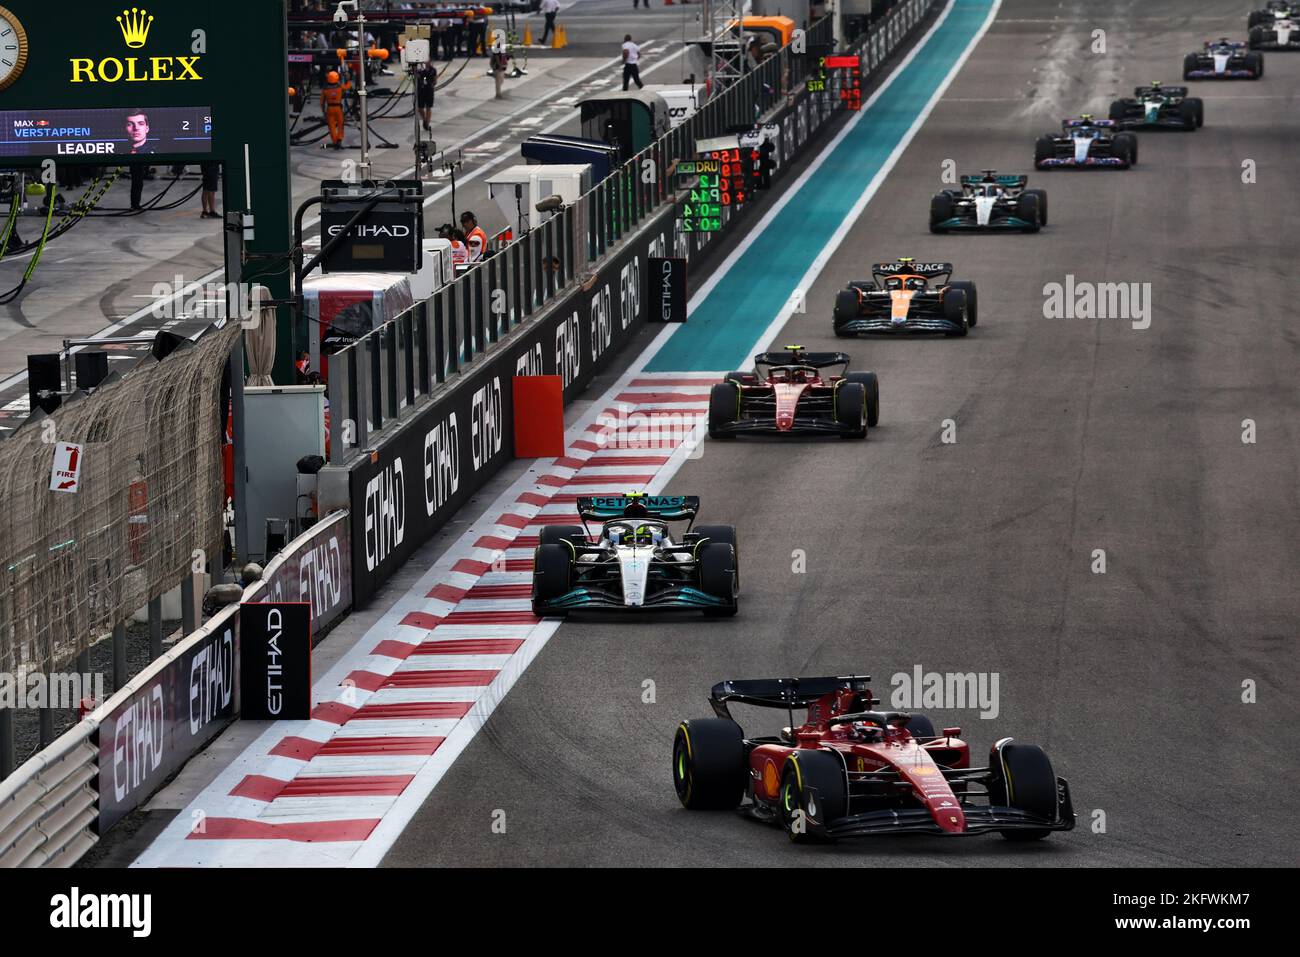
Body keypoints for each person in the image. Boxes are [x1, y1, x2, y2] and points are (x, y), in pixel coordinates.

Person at [124, 110, 154, 210]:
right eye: (130, 124)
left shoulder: (155, 150)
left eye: (140, 124)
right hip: (136, 167)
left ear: (147, 128)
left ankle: (135, 204)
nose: (136, 128)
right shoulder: (122, 150)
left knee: (138, 183)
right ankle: (135, 204)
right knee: (136, 182)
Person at [320, 70, 346, 149]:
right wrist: (347, 79)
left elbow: (322, 102)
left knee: (332, 126)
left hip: (330, 108)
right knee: (341, 124)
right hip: (338, 108)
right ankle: (340, 138)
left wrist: (323, 111)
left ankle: (335, 142)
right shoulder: (340, 87)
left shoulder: (325, 90)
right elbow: (348, 87)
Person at [416, 63, 436, 133]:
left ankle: (427, 123)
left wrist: (431, 85)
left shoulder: (433, 70)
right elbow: (417, 78)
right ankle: (424, 119)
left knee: (428, 107)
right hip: (420, 90)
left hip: (429, 90)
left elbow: (435, 81)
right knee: (420, 108)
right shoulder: (419, 69)